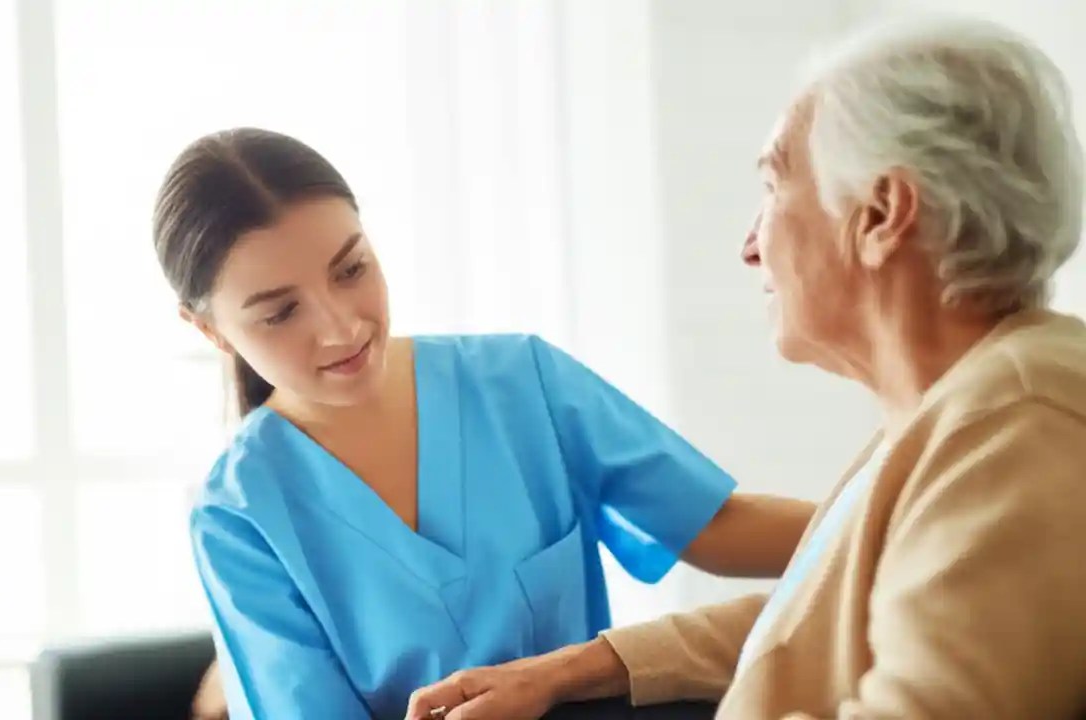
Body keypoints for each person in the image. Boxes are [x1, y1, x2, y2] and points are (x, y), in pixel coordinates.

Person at [406, 15, 1086, 720]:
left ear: (880, 215)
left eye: (774, 185)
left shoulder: (1017, 425)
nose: (750, 246)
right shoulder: (969, 405)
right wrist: (568, 669)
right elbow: (815, 618)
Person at [151, 127, 816, 719]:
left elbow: (713, 525)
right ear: (208, 328)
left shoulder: (521, 381)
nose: (341, 326)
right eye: (280, 313)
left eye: (352, 269)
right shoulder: (238, 517)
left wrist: (897, 514)